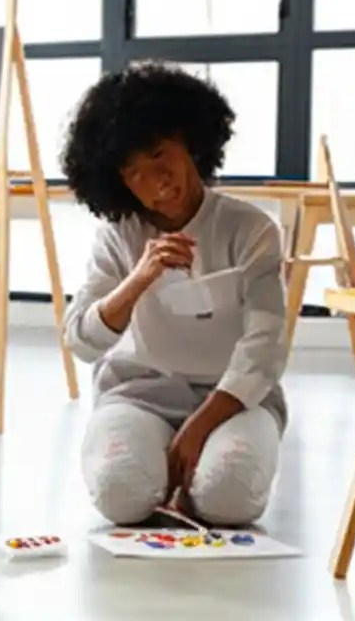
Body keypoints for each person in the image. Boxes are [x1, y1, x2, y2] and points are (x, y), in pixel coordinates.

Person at [61, 62, 288, 526]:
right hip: (137, 394)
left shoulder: (251, 230)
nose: (157, 181)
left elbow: (264, 353)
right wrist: (140, 277)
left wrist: (198, 429)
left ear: (192, 141)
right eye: (134, 173)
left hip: (235, 400)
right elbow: (82, 343)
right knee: (120, 496)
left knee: (228, 500)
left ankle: (193, 471)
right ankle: (154, 470)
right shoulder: (118, 236)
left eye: (161, 154)